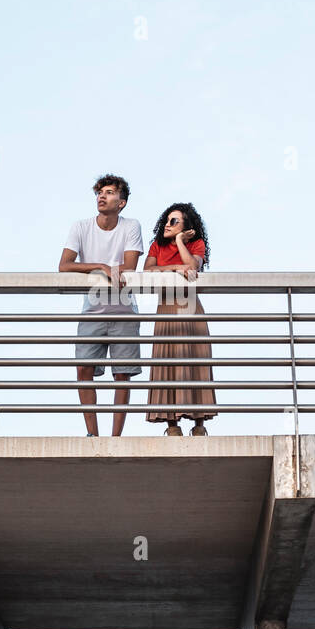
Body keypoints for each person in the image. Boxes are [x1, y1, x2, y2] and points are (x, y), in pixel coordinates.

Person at [58, 174, 144, 436]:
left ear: (122, 202)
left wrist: (109, 268)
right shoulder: (81, 227)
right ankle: (92, 435)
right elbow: (64, 266)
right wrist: (100, 266)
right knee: (83, 369)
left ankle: (116, 438)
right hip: (91, 311)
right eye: (99, 192)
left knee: (122, 375)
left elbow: (129, 268)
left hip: (124, 311)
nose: (102, 196)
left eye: (109, 192)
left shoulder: (131, 226)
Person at [143, 203, 216, 436]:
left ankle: (199, 425)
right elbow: (147, 272)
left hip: (191, 309)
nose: (167, 223)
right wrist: (176, 267)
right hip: (165, 309)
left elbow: (193, 268)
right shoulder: (156, 246)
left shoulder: (196, 244)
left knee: (195, 360)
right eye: (167, 219)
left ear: (187, 227)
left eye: (174, 221)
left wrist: (180, 243)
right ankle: (172, 426)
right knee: (167, 360)